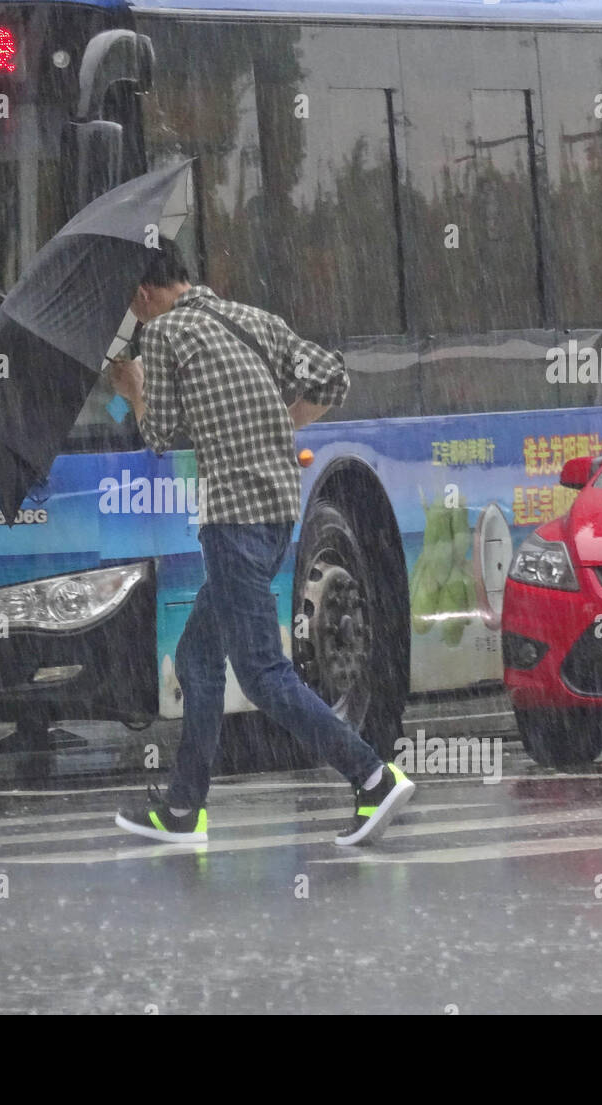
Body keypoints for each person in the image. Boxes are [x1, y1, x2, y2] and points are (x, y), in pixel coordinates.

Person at [106, 242, 415, 847]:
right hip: (278, 514)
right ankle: (183, 810)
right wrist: (281, 421)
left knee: (261, 672)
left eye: (131, 303)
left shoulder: (165, 335)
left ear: (145, 294)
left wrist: (133, 384)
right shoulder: (252, 319)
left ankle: (372, 777)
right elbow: (332, 375)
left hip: (233, 522)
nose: (135, 315)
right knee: (198, 657)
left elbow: (162, 433)